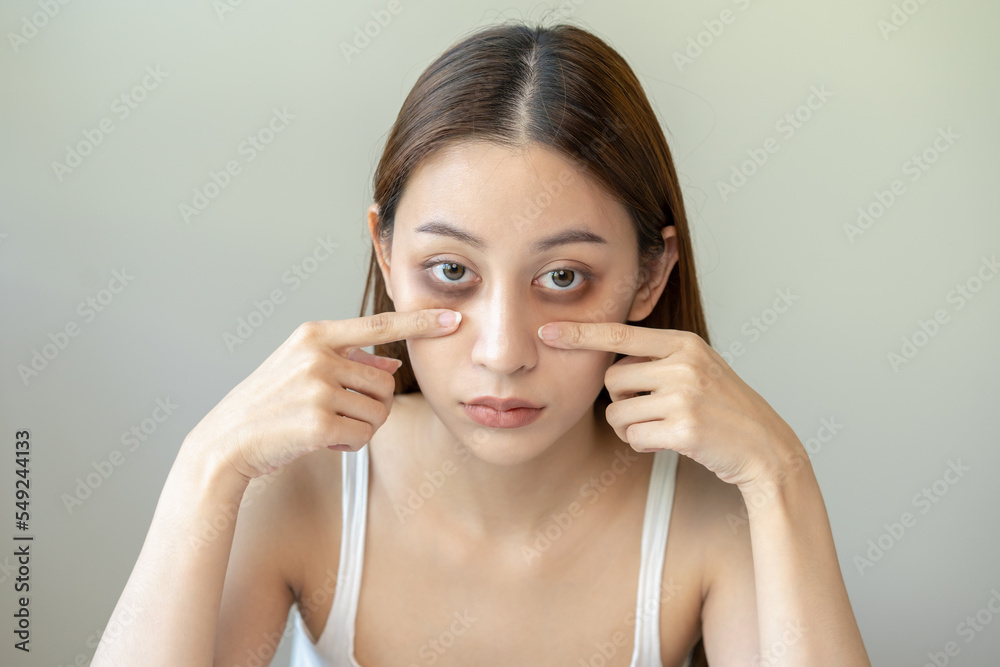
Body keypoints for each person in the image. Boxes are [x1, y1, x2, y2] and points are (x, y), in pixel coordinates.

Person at [92, 21, 870, 666]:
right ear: (386, 256)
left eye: (563, 276)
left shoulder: (707, 515)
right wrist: (205, 465)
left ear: (648, 275)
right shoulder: (306, 488)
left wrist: (782, 473)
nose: (504, 351)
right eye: (452, 270)